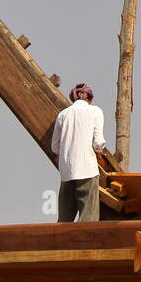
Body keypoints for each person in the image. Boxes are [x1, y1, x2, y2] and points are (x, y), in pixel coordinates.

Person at [51, 83, 106, 222]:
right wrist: (98, 152)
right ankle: (85, 242)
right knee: (89, 216)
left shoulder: (63, 114)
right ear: (90, 98)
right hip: (87, 169)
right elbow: (99, 142)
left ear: (74, 98)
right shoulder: (95, 111)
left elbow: (54, 147)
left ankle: (61, 241)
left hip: (66, 171)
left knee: (64, 217)